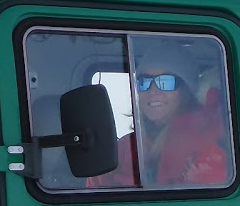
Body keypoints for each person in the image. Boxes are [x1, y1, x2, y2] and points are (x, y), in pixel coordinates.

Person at [89, 64, 229, 189]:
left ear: (185, 91)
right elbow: (94, 198)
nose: (153, 90)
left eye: (165, 82)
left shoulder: (207, 144)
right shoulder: (123, 147)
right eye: (144, 82)